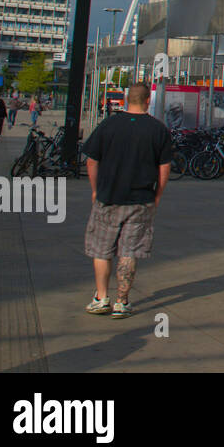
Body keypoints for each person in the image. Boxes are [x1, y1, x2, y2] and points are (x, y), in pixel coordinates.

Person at [83, 82, 172, 318]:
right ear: (147, 101)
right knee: (129, 251)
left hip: (108, 196)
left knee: (102, 249)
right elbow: (164, 167)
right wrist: (158, 194)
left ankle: (102, 298)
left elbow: (91, 161)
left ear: (125, 100)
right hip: (141, 199)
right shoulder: (158, 129)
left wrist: (95, 189)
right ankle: (122, 301)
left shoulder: (109, 125)